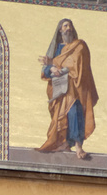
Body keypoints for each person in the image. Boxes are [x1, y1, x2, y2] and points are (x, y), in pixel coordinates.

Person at [38, 19, 98, 159]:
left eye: (70, 26)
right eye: (65, 26)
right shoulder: (56, 48)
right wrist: (52, 68)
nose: (68, 28)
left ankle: (78, 146)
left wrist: (57, 65)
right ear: (60, 30)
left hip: (75, 87)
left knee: (74, 112)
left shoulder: (79, 46)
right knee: (60, 117)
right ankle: (64, 143)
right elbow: (46, 69)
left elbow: (78, 64)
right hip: (59, 89)